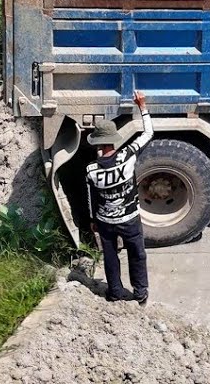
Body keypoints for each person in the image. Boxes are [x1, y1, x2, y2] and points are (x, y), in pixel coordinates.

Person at [85, 91, 153, 304]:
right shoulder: (127, 157)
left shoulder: (91, 170)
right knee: (137, 255)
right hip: (130, 220)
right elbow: (148, 133)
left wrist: (93, 220)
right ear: (113, 141)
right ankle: (140, 293)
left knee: (111, 257)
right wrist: (142, 106)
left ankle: (115, 292)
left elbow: (92, 198)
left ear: (98, 144)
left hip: (105, 223)